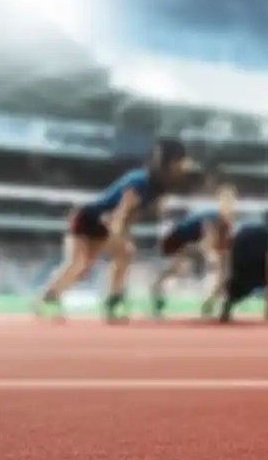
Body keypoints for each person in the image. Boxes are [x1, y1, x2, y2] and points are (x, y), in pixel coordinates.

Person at [36, 138, 196, 323]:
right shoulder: (140, 181)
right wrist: (121, 238)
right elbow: (120, 214)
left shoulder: (158, 188)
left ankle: (60, 297)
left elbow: (133, 216)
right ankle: (105, 301)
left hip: (104, 221)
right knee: (86, 262)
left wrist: (125, 235)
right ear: (170, 162)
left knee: (89, 265)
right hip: (89, 217)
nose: (184, 167)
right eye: (181, 162)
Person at [150, 184, 238, 319]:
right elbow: (207, 241)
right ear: (220, 202)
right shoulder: (214, 216)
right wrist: (211, 257)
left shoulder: (226, 223)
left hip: (190, 241)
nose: (229, 205)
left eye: (231, 201)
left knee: (223, 272)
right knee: (182, 267)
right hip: (177, 238)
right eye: (225, 200)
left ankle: (211, 302)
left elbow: (221, 246)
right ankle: (157, 287)